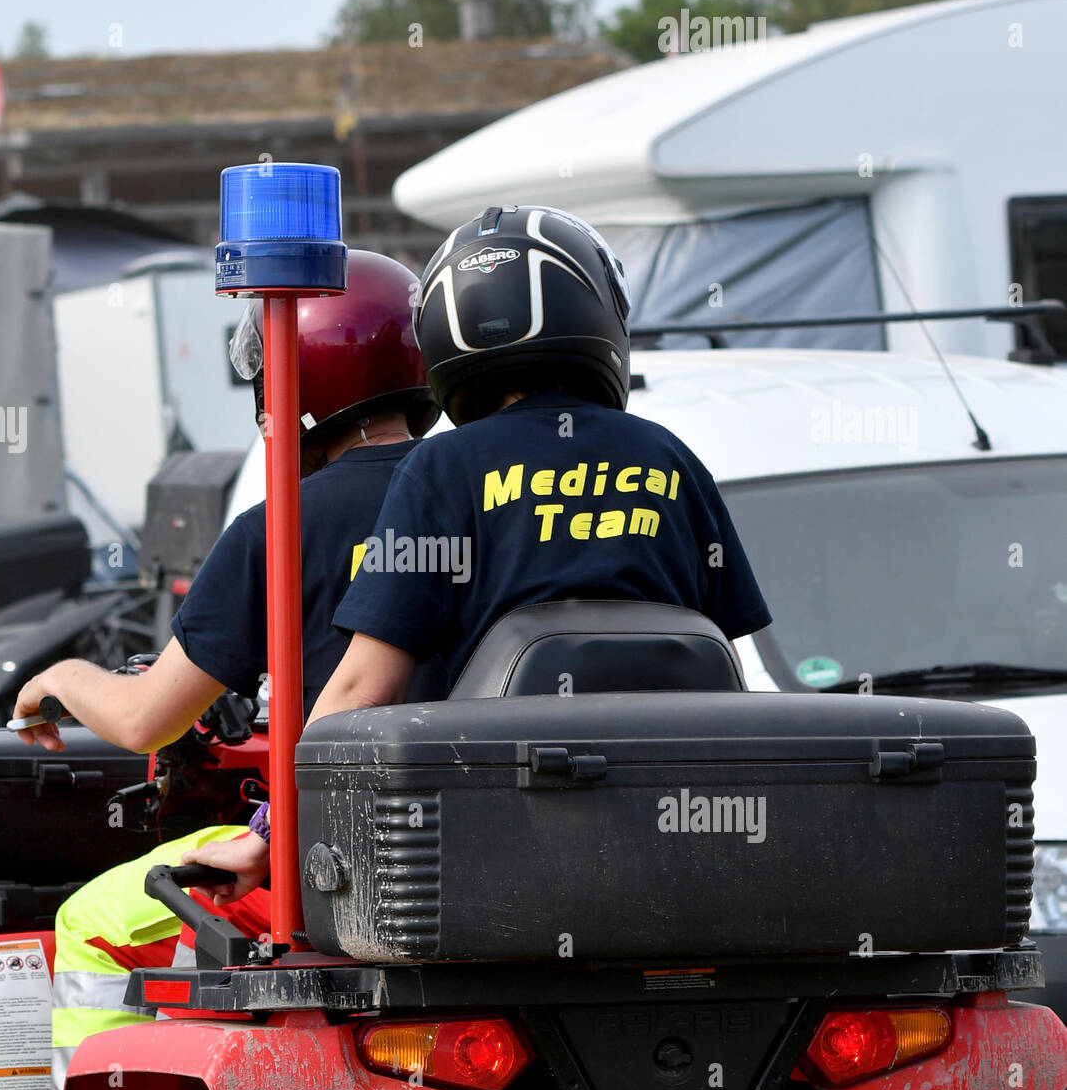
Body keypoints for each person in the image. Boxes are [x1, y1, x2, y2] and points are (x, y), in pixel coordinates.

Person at [10, 252, 445, 1090]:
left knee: (90, 922)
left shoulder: (281, 523)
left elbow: (141, 721)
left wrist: (58, 676)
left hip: (345, 871)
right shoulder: (484, 494)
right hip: (494, 862)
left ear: (302, 375)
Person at [207, 204, 773, 899]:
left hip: (505, 867)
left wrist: (268, 834)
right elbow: (728, 679)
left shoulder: (444, 468)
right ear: (598, 310)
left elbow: (362, 687)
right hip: (678, 860)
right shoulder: (671, 459)